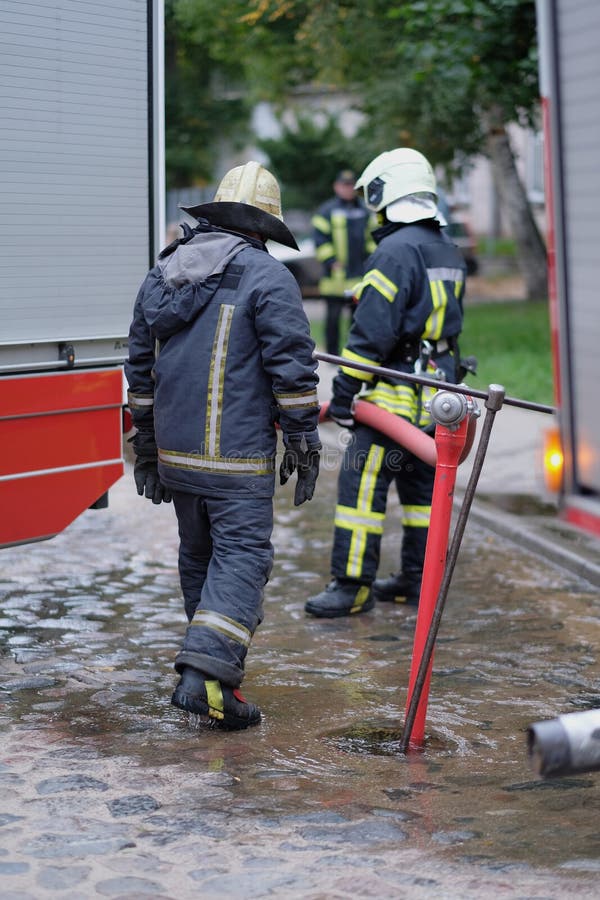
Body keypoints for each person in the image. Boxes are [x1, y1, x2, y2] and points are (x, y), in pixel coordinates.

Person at [125, 161, 321, 729]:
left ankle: (212, 677)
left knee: (201, 559)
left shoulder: (161, 274)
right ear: (261, 227)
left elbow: (139, 373)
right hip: (236, 460)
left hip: (179, 458)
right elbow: (292, 370)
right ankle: (202, 678)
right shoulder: (268, 276)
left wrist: (147, 450)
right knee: (242, 558)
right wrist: (305, 442)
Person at [305, 148, 466, 618]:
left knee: (360, 488)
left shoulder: (393, 252)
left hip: (392, 397)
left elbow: (370, 336)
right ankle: (418, 580)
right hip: (438, 398)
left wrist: (343, 393)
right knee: (421, 491)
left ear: (387, 192)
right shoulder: (447, 248)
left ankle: (353, 585)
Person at [312, 169, 375, 356]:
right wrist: (331, 261)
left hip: (358, 277)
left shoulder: (364, 211)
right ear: (336, 187)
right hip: (334, 280)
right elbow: (320, 240)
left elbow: (372, 238)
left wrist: (372, 259)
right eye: (344, 185)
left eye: (351, 186)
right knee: (332, 320)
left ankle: (354, 354)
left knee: (357, 320)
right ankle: (332, 355)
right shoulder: (326, 211)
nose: (348, 189)